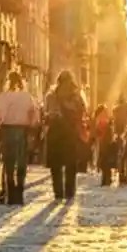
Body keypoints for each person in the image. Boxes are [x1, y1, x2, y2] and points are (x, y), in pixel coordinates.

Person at [0, 70, 39, 205]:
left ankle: (10, 192)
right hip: (22, 130)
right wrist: (31, 129)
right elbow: (34, 115)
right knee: (21, 163)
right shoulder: (27, 97)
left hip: (7, 130)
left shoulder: (2, 96)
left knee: (8, 163)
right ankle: (19, 193)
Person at [45, 71, 86, 200]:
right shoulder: (75, 96)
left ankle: (61, 192)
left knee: (61, 165)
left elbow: (48, 112)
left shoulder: (53, 95)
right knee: (67, 164)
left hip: (59, 131)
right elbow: (82, 112)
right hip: (67, 132)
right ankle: (67, 191)